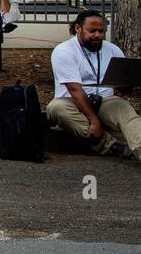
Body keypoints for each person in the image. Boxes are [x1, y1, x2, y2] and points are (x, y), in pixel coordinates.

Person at [47, 10, 141, 160]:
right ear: (78, 28)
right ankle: (112, 145)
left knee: (125, 112)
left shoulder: (112, 49)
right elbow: (74, 89)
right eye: (92, 31)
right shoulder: (64, 51)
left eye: (101, 31)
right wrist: (94, 121)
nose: (98, 35)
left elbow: (123, 86)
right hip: (72, 101)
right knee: (56, 108)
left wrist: (130, 81)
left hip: (104, 99)